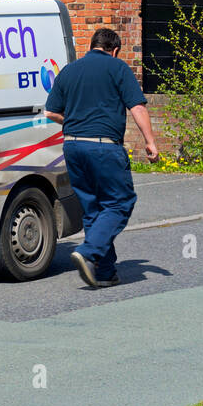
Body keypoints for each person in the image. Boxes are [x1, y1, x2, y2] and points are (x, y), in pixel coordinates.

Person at [44, 27, 159, 288]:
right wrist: (150, 142)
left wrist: (75, 123)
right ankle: (88, 252)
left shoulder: (69, 70)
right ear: (115, 50)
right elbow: (137, 106)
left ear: (92, 45)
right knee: (120, 202)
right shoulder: (118, 68)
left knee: (93, 207)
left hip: (72, 146)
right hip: (104, 148)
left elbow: (51, 112)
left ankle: (105, 271)